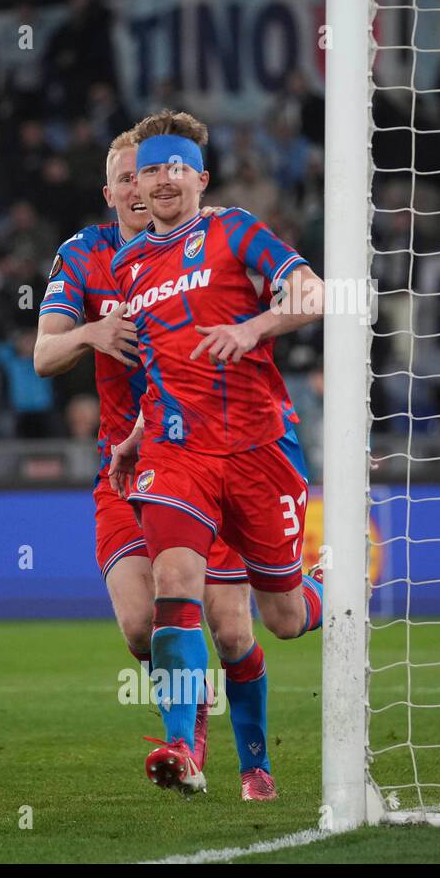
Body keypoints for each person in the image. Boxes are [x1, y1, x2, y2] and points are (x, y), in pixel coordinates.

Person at [106, 111, 326, 799]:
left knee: (279, 620)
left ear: (200, 178)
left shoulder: (235, 231)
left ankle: (335, 583)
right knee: (174, 581)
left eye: (178, 167)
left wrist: (255, 325)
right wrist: (137, 438)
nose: (165, 180)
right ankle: (182, 744)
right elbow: (164, 367)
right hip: (179, 453)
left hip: (260, 449)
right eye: (152, 169)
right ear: (136, 185)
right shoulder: (129, 265)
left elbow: (315, 292)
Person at [34, 132, 256, 797]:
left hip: (201, 456)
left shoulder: (211, 243)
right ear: (110, 194)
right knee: (139, 627)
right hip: (123, 469)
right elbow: (44, 355)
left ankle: (188, 743)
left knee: (233, 625)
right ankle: (189, 718)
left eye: (149, 173)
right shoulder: (85, 255)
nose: (138, 187)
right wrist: (90, 333)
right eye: (126, 178)